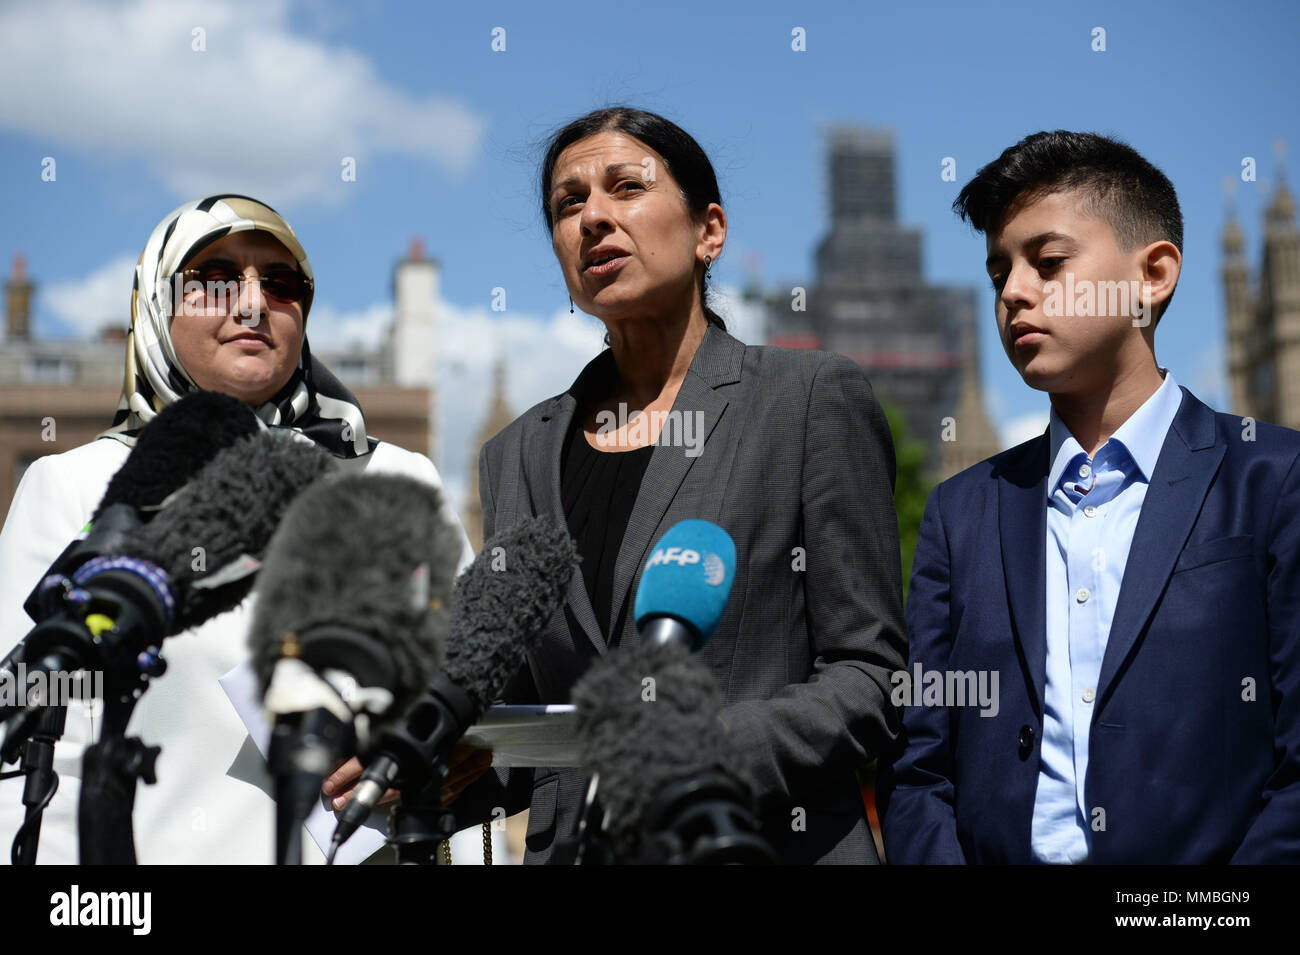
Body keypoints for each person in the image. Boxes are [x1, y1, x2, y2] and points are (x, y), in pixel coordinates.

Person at [431, 107, 907, 864]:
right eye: (568, 203)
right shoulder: (516, 452)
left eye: (626, 186)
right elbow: (537, 717)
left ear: (707, 231)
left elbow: (872, 676)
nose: (593, 218)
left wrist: (707, 751)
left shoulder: (807, 399)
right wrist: (456, 760)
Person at [0, 194, 470, 864]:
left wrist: (424, 736)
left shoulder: (399, 480)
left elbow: (483, 694)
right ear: (159, 304)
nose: (252, 303)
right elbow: (29, 738)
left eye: (281, 284)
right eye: (216, 279)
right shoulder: (75, 486)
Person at [878, 131, 1300, 864]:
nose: (1013, 291)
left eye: (1047, 262)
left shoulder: (1272, 479)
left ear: (1153, 274)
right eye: (998, 272)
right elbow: (919, 763)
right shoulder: (960, 513)